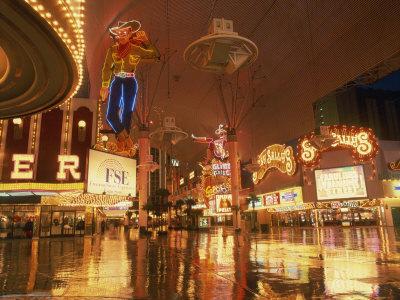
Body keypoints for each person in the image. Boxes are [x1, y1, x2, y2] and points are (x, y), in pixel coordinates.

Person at [100, 20, 160, 151]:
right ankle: (126, 139)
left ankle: (122, 144)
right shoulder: (112, 50)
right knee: (111, 115)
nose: (122, 35)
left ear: (129, 34)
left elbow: (155, 55)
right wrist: (105, 85)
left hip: (130, 82)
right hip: (116, 81)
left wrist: (147, 41)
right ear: (116, 35)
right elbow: (106, 68)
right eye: (119, 33)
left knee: (127, 112)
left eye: (124, 32)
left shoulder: (136, 50)